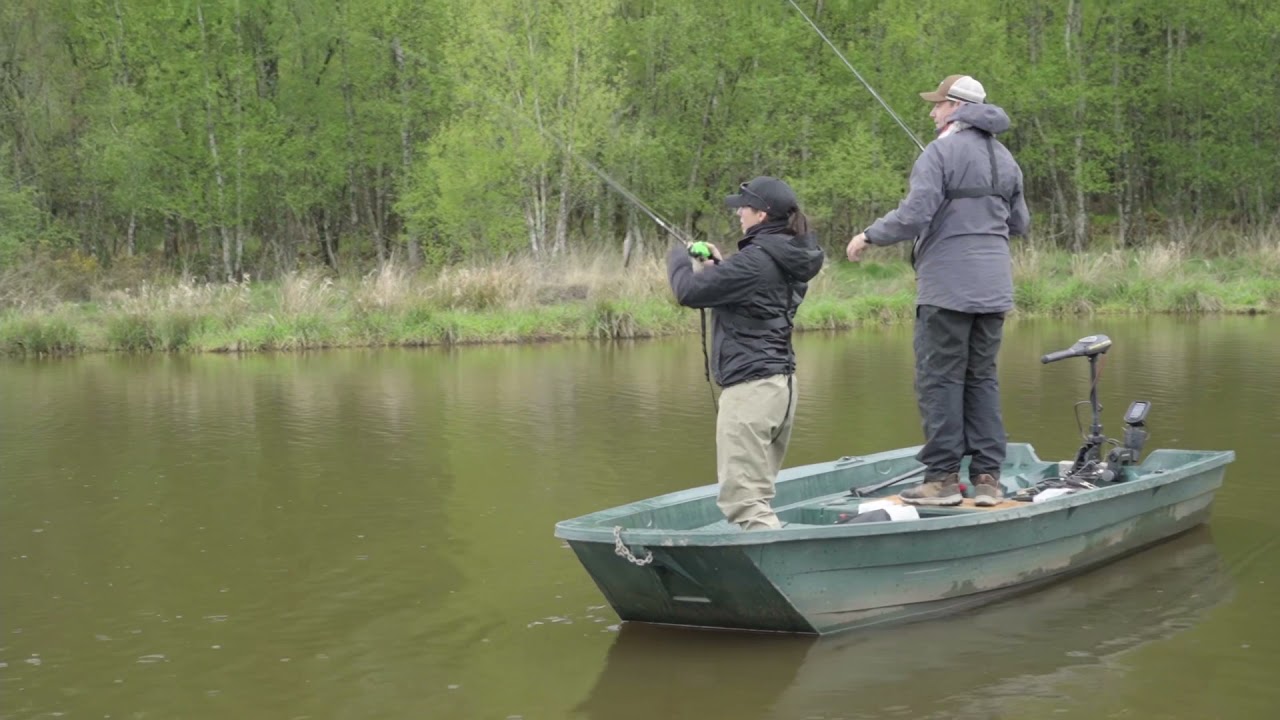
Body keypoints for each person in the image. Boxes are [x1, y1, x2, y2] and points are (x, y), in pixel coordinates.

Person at [845, 74, 1030, 507]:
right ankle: (987, 478)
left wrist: (868, 236)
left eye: (937, 105)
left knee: (939, 379)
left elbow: (914, 214)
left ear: (955, 106)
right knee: (981, 378)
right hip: (994, 289)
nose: (931, 113)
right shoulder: (1007, 160)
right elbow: (1020, 224)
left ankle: (942, 479)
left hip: (947, 288)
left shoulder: (939, 153)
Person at [667, 176, 825, 530]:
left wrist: (678, 256)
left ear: (762, 215)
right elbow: (753, 295)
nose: (739, 212)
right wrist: (720, 269)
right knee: (757, 493)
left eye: (744, 207)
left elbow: (687, 291)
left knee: (745, 503)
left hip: (751, 392)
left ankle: (783, 574)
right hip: (780, 389)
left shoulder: (755, 261)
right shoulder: (791, 255)